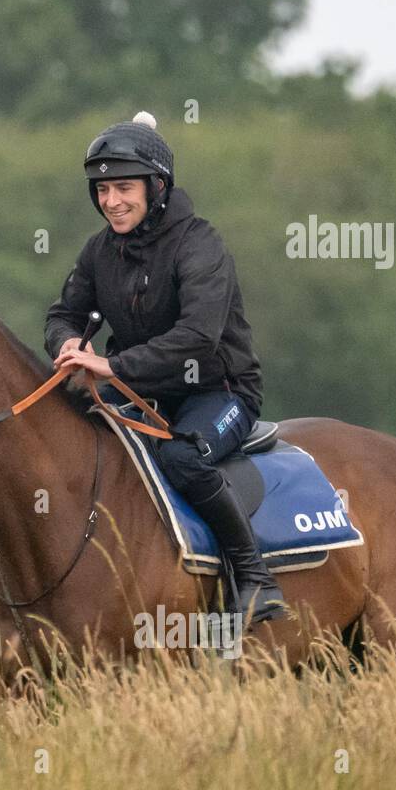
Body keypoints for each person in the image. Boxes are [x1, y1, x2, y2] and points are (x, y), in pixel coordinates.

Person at [45, 111, 287, 624]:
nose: (111, 201)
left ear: (157, 186)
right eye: (102, 189)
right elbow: (63, 314)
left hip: (220, 393)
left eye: (124, 188)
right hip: (140, 389)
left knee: (181, 459)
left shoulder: (201, 245)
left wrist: (110, 365)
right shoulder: (98, 252)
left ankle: (255, 578)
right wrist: (68, 345)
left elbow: (198, 339)